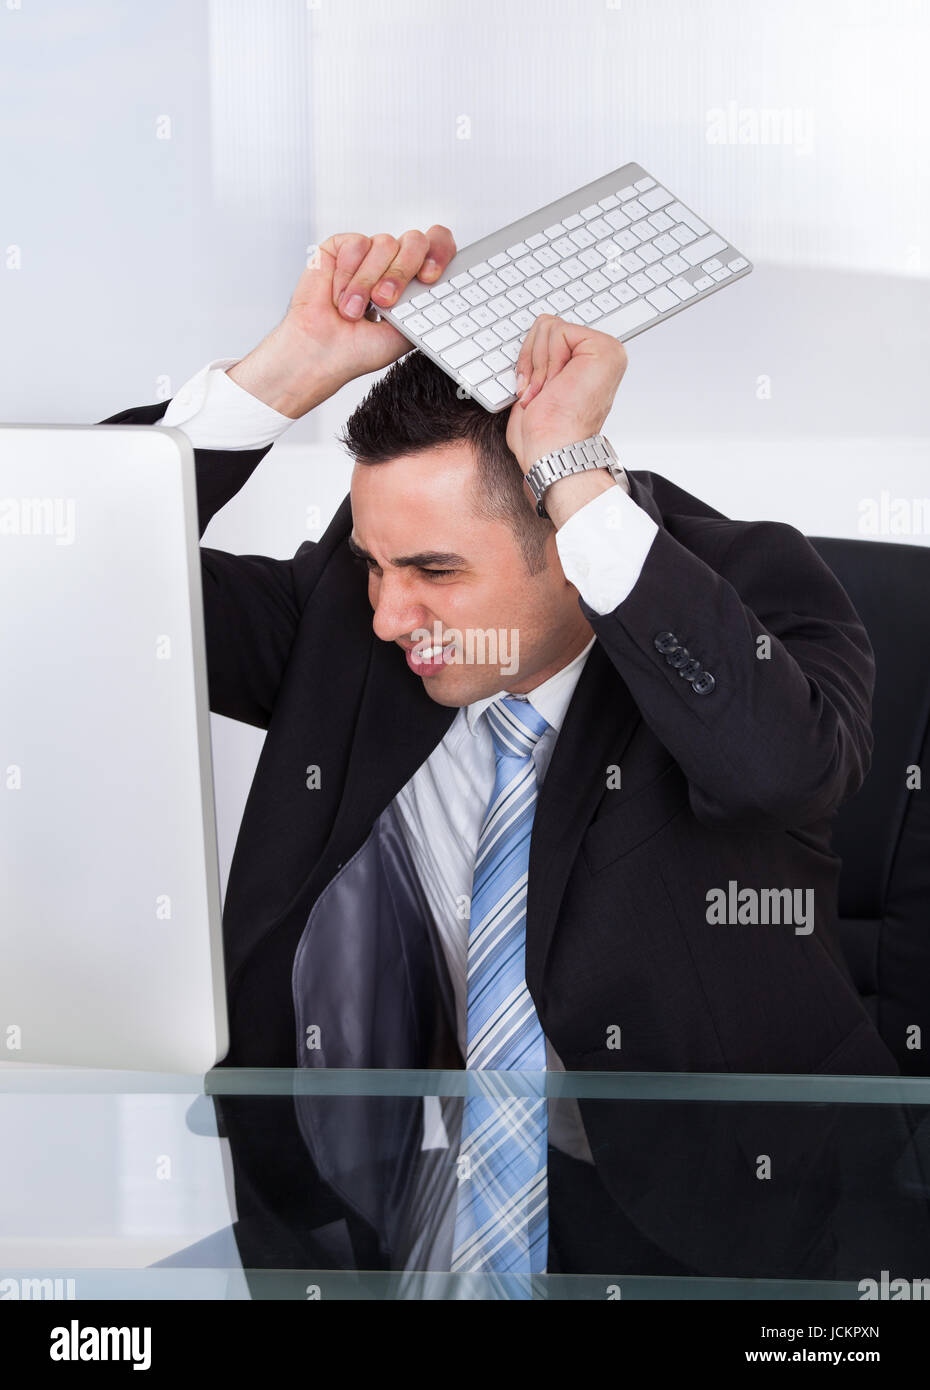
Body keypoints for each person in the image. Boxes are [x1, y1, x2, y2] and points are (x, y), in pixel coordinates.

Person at [102, 226, 923, 1286]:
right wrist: (283, 374)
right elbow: (67, 567)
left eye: (435, 571)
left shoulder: (751, 592)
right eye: (375, 565)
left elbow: (780, 768)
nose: (390, 614)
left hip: (744, 1240)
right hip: (403, 1214)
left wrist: (577, 480)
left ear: (569, 546)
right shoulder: (350, 625)